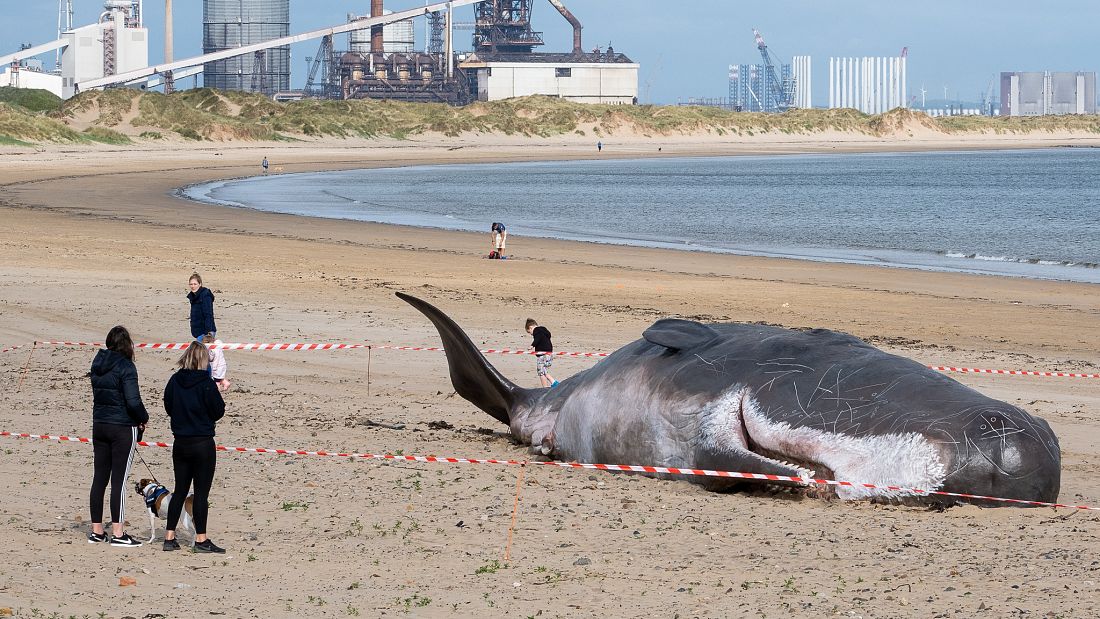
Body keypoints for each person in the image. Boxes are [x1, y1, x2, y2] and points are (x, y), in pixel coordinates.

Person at [162, 342, 226, 553]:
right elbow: (218, 411)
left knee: (180, 490)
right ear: (202, 360)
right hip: (201, 444)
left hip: (180, 443)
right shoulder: (205, 383)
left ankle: (169, 537)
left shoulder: (175, 380)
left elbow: (168, 406)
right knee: (200, 494)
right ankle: (201, 539)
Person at [88, 325, 149, 547]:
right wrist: (144, 417)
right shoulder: (126, 367)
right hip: (122, 426)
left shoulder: (97, 363)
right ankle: (118, 532)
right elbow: (133, 401)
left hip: (100, 424)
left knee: (99, 478)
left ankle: (97, 530)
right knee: (119, 481)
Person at [525, 318, 559, 388]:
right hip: (549, 353)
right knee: (544, 370)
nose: (531, 334)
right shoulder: (543, 330)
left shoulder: (536, 331)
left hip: (542, 355)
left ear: (531, 328)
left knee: (541, 372)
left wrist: (532, 345)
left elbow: (538, 338)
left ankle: (546, 386)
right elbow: (548, 335)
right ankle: (552, 383)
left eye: (529, 332)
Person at [187, 272, 216, 341]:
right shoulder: (193, 297)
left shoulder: (205, 296)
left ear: (200, 284)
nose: (193, 286)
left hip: (206, 332)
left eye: (195, 284)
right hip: (198, 331)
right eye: (191, 284)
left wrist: (208, 333)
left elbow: (208, 314)